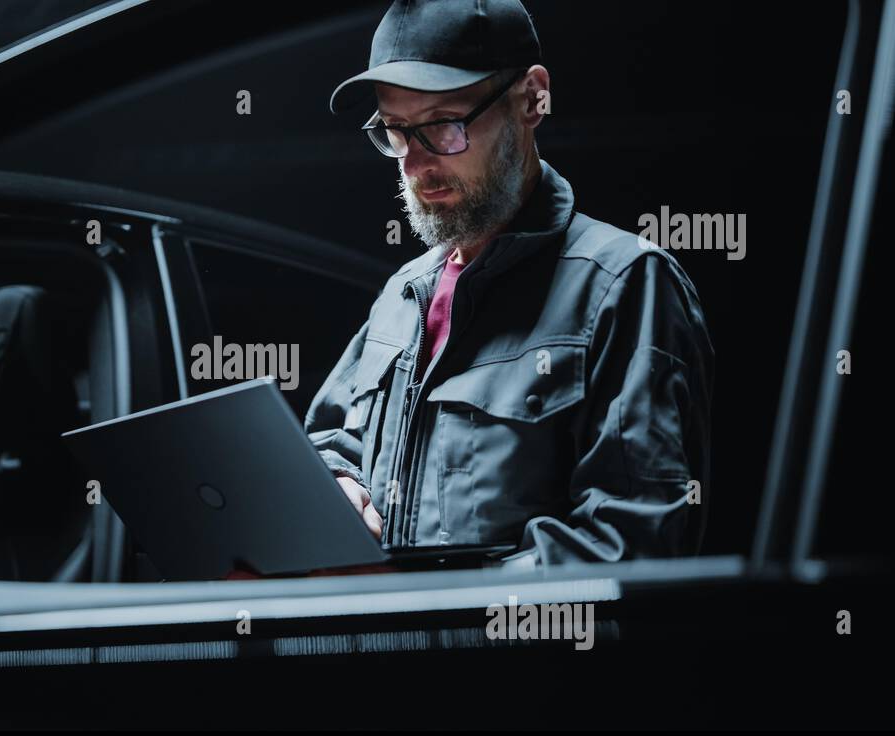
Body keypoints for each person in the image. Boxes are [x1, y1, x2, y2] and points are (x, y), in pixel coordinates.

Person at [301, 0, 714, 570]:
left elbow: (632, 545)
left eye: (443, 125)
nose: (415, 165)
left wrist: (433, 610)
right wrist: (336, 488)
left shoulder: (625, 284)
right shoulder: (402, 297)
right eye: (396, 132)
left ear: (530, 97)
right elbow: (333, 443)